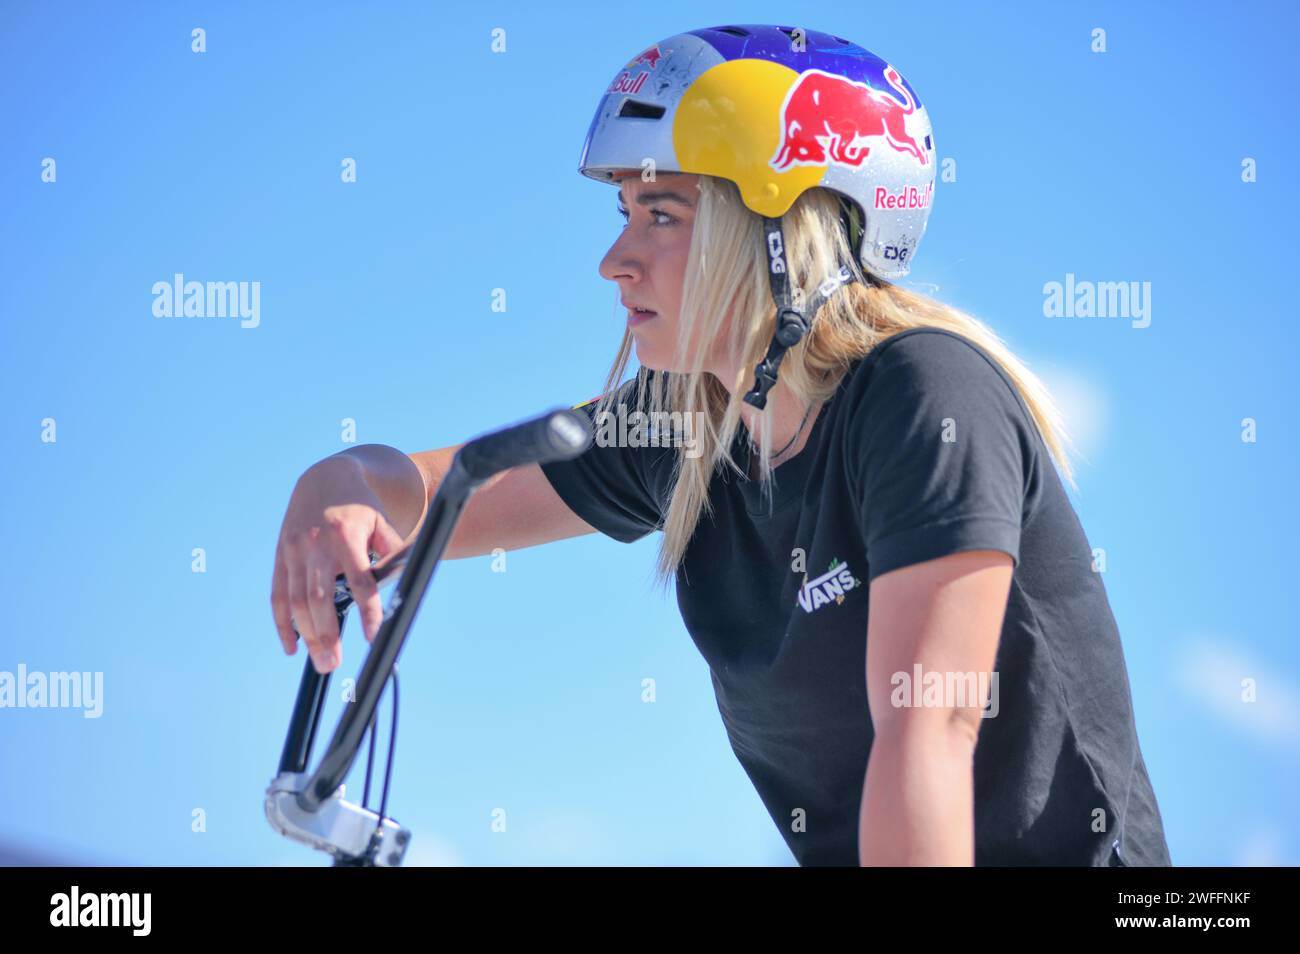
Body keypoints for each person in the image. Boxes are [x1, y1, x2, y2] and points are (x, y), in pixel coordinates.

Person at [269, 24, 1171, 867]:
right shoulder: (686, 425)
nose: (614, 259)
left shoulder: (922, 395)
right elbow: (435, 490)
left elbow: (927, 735)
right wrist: (335, 486)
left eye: (662, 213)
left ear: (784, 233)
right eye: (623, 213)